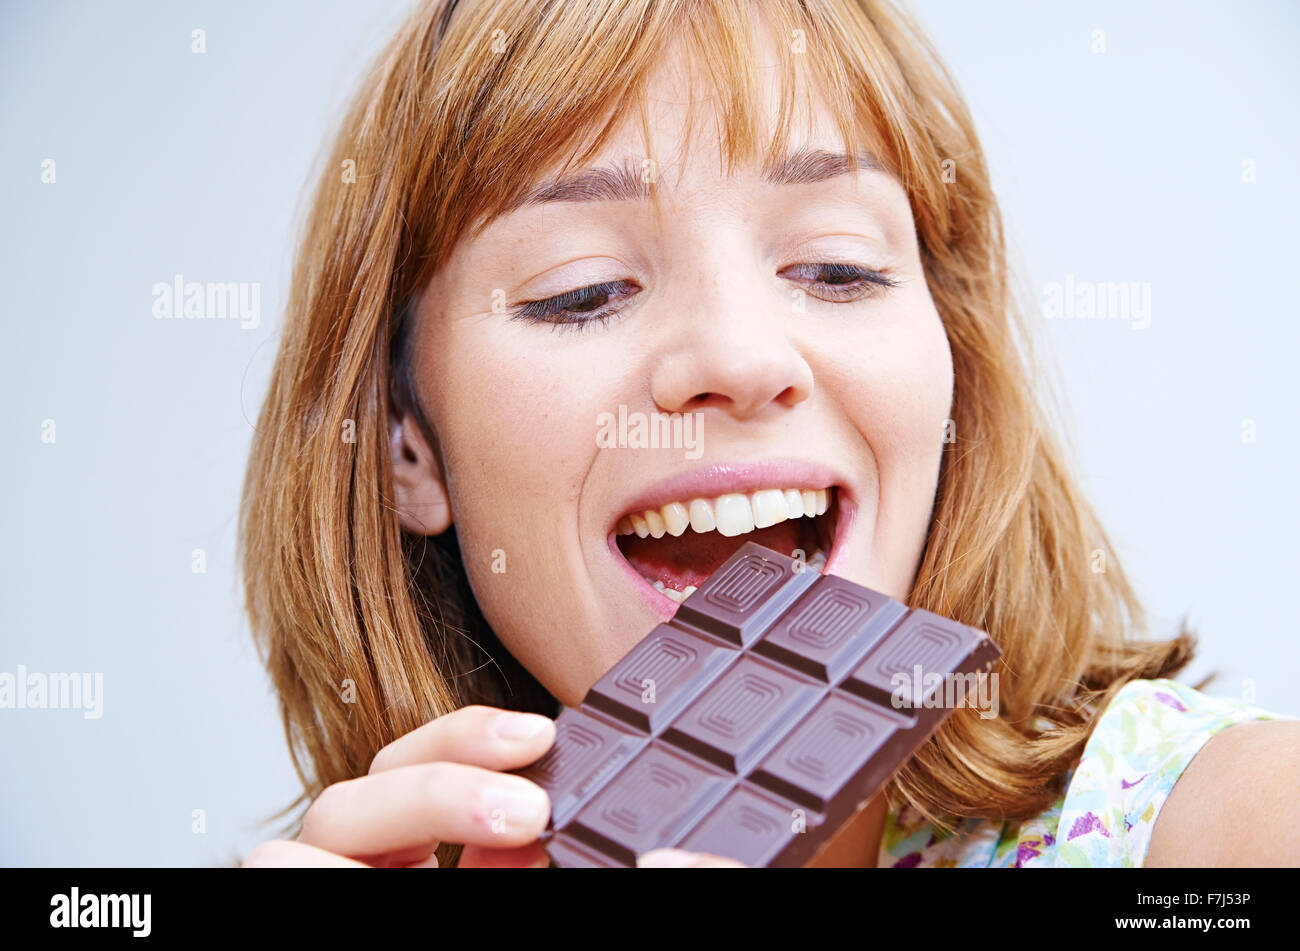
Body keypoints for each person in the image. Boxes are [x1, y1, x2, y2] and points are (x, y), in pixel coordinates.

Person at [238, 0, 1298, 869]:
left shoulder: (1225, 830)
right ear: (403, 449)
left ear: (952, 372)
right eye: (583, 290)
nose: (742, 361)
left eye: (838, 268)